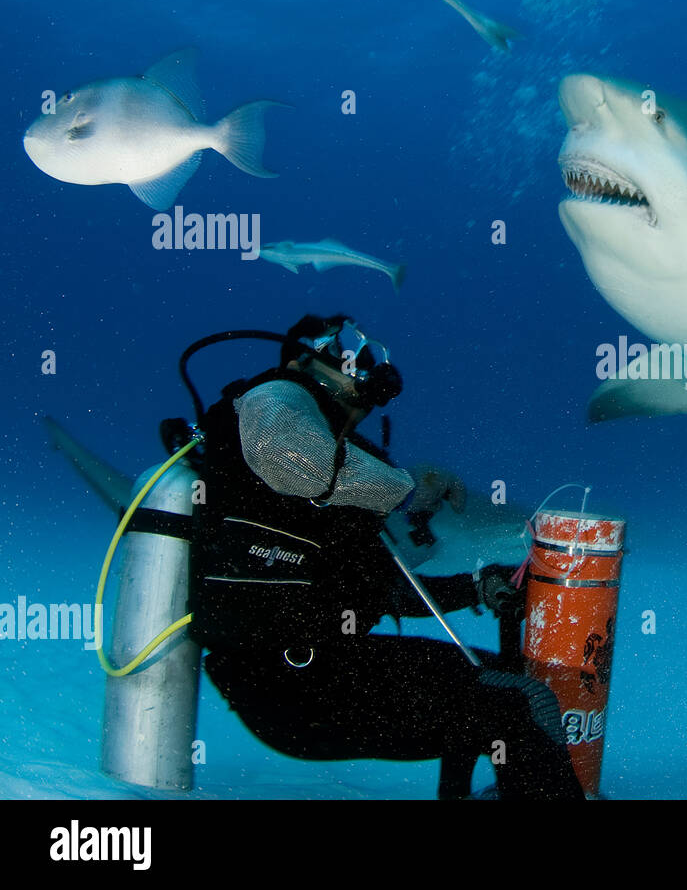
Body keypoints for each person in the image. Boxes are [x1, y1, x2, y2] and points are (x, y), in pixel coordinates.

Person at [185, 314, 583, 800]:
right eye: (346, 350)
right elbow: (283, 448)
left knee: (498, 680)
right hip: (295, 686)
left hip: (314, 673)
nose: (363, 362)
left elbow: (379, 587)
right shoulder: (278, 395)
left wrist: (474, 586)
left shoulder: (329, 463)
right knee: (519, 700)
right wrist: (403, 488)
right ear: (299, 359)